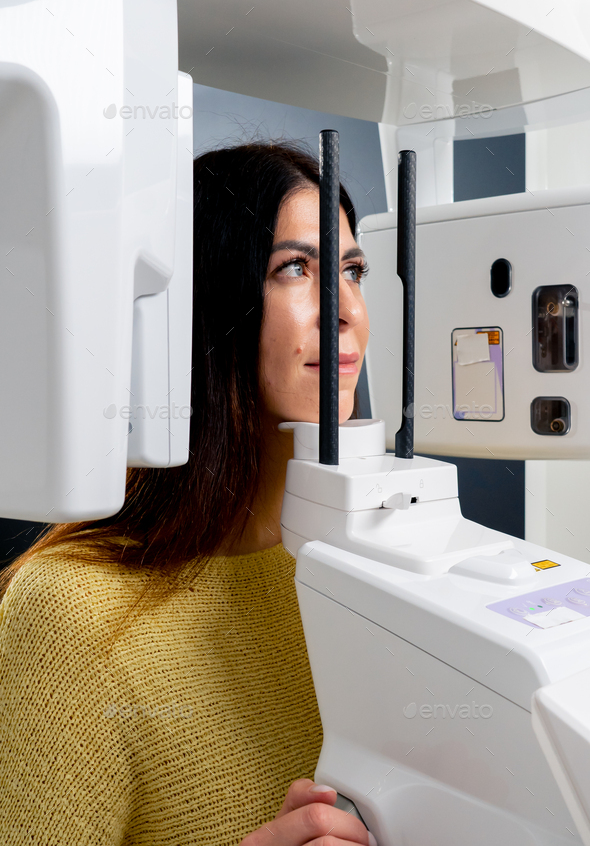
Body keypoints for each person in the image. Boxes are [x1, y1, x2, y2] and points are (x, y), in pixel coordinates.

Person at [0, 142, 374, 846]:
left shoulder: (354, 572)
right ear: (209, 306)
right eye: (295, 267)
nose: (346, 307)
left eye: (353, 269)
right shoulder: (70, 615)